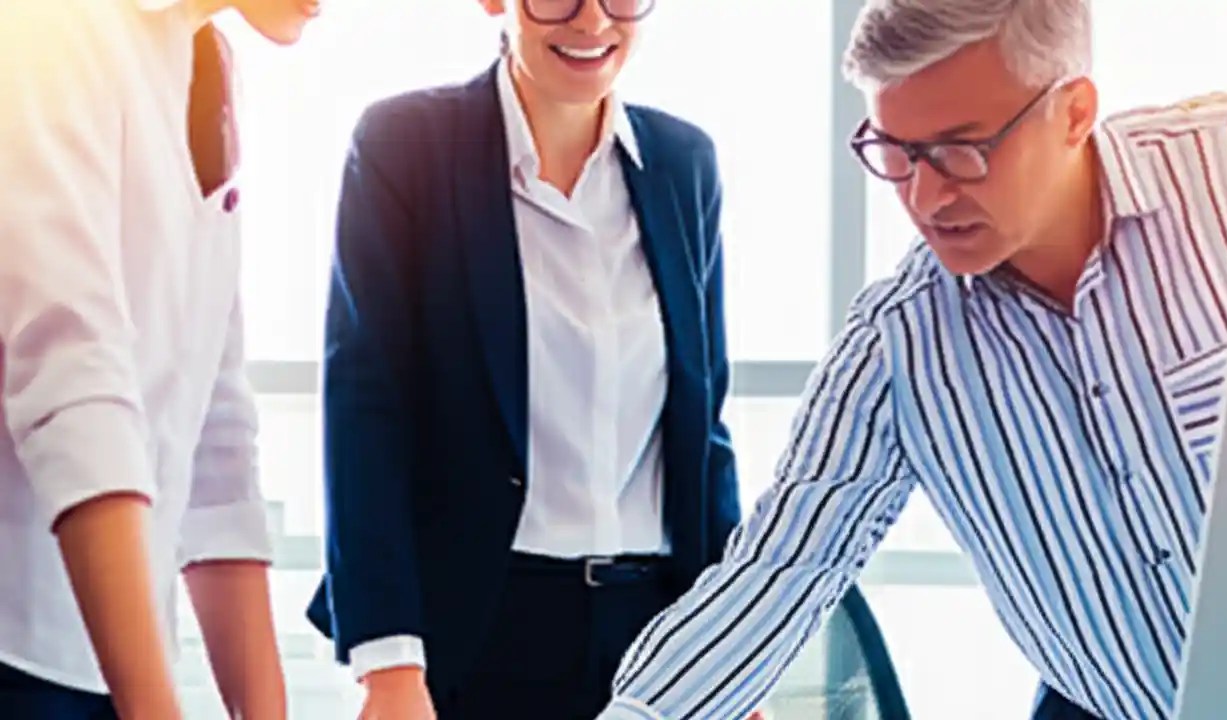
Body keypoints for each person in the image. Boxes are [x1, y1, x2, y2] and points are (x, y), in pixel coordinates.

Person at [595, 1, 1227, 719]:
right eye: (897, 153)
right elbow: (778, 570)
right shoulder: (898, 348)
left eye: (961, 150)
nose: (925, 198)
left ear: (1074, 112)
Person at [304, 0, 741, 718]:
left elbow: (704, 436)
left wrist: (732, 650)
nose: (593, 21)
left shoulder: (683, 163)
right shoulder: (406, 145)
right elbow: (365, 411)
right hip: (478, 630)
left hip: (656, 638)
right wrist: (387, 664)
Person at [0, 1, 319, 718]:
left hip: (111, 663)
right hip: (19, 654)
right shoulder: (53, 29)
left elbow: (216, 428)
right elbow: (70, 379)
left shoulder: (206, 61)